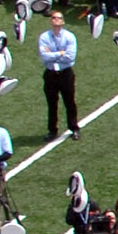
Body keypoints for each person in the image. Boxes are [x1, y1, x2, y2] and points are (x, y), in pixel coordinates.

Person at [37, 9, 80, 140]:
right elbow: (44, 56)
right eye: (54, 18)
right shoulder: (44, 37)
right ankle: (52, 131)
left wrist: (53, 55)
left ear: (63, 21)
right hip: (50, 74)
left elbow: (70, 56)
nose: (56, 20)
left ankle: (74, 128)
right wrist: (60, 53)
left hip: (66, 73)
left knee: (69, 102)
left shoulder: (70, 37)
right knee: (52, 104)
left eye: (59, 18)